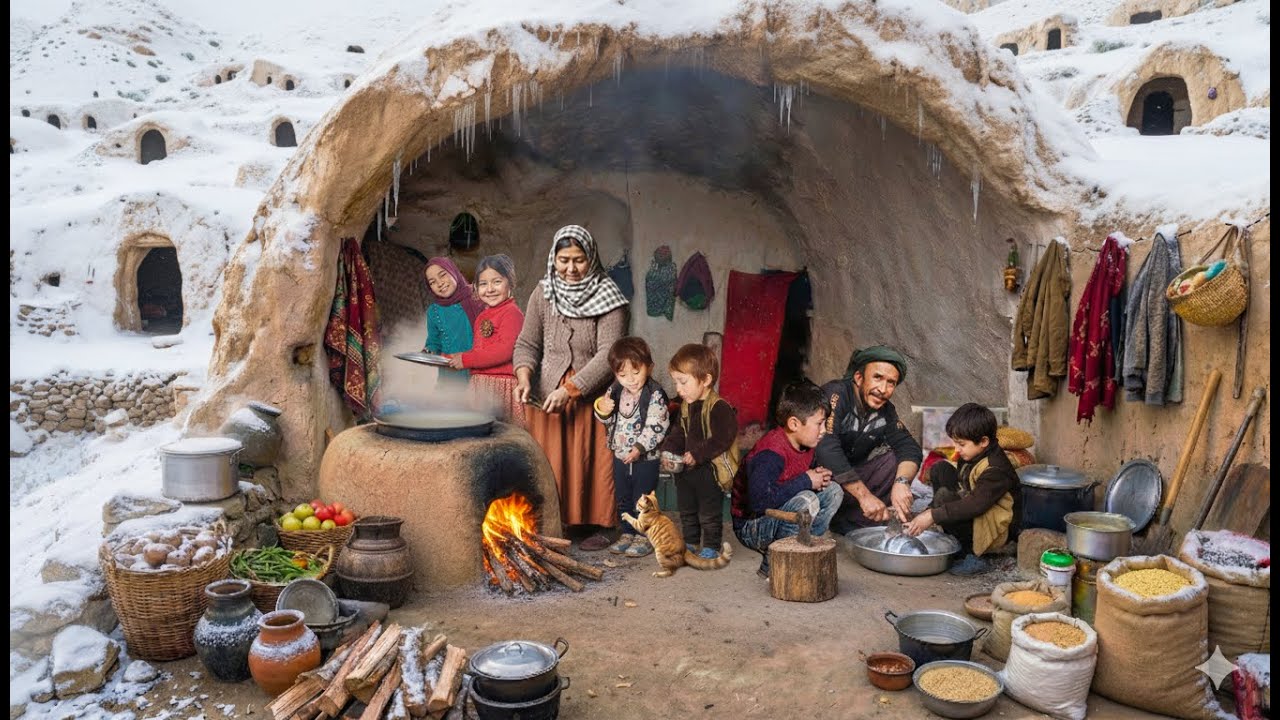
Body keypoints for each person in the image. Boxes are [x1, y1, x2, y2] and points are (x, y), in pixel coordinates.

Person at [514, 225, 629, 551]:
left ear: (590, 258)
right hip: (547, 399)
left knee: (592, 464)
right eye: (564, 260)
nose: (571, 268)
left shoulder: (609, 298)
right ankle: (556, 522)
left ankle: (603, 526)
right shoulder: (543, 292)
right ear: (554, 259)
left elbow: (610, 355)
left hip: (590, 401)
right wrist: (524, 376)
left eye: (579, 260)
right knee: (551, 463)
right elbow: (527, 343)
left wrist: (572, 389)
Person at [731, 381, 843, 579]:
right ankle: (776, 563)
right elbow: (759, 502)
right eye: (819, 423)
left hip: (780, 511)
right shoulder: (770, 453)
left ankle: (803, 550)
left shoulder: (806, 444)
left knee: (834, 491)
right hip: (752, 524)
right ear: (793, 424)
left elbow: (801, 474)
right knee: (807, 500)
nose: (824, 429)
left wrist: (820, 476)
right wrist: (807, 481)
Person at [815, 345, 923, 533]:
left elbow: (909, 447)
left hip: (848, 481)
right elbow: (825, 446)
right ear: (858, 377)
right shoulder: (836, 394)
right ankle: (833, 518)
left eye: (891, 383)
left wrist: (902, 483)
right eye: (878, 378)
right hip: (818, 479)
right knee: (828, 469)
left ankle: (851, 523)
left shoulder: (886, 411)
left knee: (894, 459)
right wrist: (865, 496)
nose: (883, 389)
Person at [904, 403, 1020, 576]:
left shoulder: (996, 470)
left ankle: (970, 553)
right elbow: (964, 486)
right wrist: (930, 511)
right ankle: (946, 524)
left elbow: (975, 505)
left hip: (996, 526)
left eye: (961, 444)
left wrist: (933, 515)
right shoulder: (974, 453)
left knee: (944, 498)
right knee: (940, 469)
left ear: (983, 441)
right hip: (976, 502)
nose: (957, 449)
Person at [593, 337, 671, 558]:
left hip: (645, 459)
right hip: (620, 457)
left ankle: (644, 536)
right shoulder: (616, 391)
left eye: (636, 373)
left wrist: (639, 447)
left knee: (643, 498)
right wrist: (604, 410)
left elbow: (657, 425)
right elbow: (608, 422)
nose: (630, 380)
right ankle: (627, 532)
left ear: (649, 367)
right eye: (622, 375)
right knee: (624, 496)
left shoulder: (654, 394)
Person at [660, 344, 738, 560]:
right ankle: (691, 542)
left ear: (705, 380)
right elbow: (678, 433)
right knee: (686, 509)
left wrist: (697, 453)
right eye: (676, 382)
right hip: (686, 470)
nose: (678, 388)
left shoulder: (720, 407)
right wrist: (668, 450)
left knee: (709, 511)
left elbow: (723, 438)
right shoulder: (686, 405)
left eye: (683, 382)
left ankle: (711, 545)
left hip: (709, 472)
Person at [445, 254, 525, 426]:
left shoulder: (512, 313)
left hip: (500, 386)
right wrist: (450, 359)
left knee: (500, 437)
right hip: (480, 385)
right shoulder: (483, 316)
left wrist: (465, 360)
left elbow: (504, 351)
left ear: (510, 283)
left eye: (497, 282)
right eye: (483, 284)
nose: (490, 289)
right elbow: (480, 351)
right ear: (476, 288)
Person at [424, 257, 483, 387]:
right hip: (450, 375)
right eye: (432, 282)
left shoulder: (479, 296)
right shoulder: (433, 311)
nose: (440, 283)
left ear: (453, 271)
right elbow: (434, 342)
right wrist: (428, 352)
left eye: (443, 275)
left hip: (479, 370)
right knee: (450, 405)